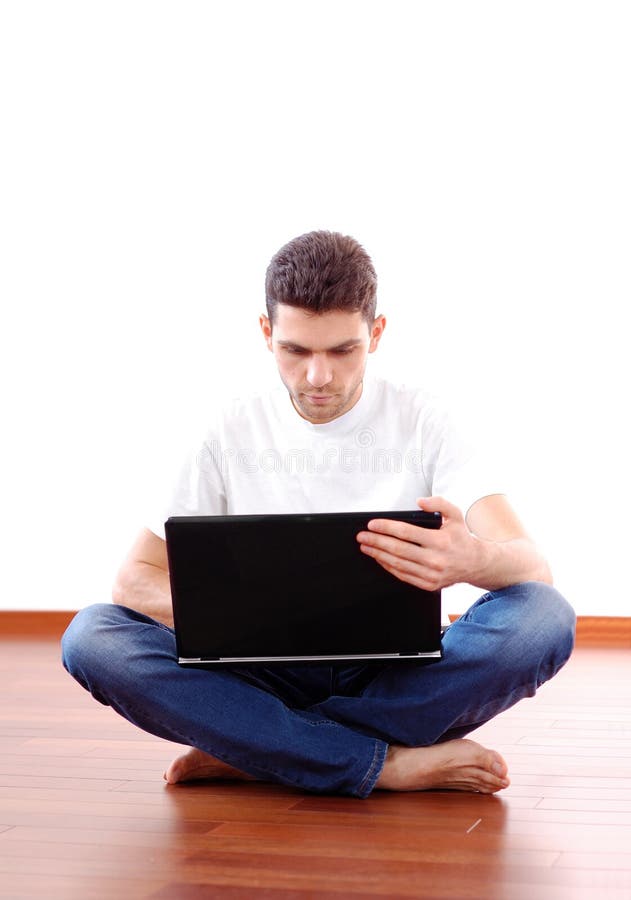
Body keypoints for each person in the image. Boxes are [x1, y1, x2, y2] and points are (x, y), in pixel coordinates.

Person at [61, 230, 575, 798]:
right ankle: (381, 762)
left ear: (376, 334)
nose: (318, 377)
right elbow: (133, 581)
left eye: (342, 350)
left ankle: (264, 751)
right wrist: (243, 615)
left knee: (541, 618)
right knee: (92, 636)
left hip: (391, 676)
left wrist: (472, 559)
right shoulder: (226, 429)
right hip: (259, 673)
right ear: (266, 333)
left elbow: (534, 569)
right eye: (296, 350)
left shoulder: (426, 420)